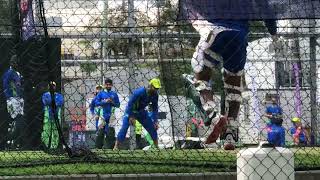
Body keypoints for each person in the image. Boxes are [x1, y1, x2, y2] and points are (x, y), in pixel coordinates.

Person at [183, 18, 277, 149]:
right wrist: (274, 34)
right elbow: (266, 9)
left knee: (201, 77)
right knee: (233, 86)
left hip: (215, 32)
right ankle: (230, 135)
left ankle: (213, 115)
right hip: (239, 36)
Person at [113, 78, 161, 150]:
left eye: (157, 88)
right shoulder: (139, 92)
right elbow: (130, 104)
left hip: (141, 112)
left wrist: (155, 121)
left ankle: (156, 147)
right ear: (150, 86)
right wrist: (131, 116)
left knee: (152, 128)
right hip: (130, 111)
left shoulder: (155, 95)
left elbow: (155, 108)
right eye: (155, 88)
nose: (156, 90)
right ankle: (116, 146)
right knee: (124, 128)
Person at [2, 55, 25, 149]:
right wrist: (9, 96)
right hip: (12, 98)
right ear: (11, 63)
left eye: (16, 62)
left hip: (19, 99)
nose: (16, 64)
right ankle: (9, 141)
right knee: (15, 119)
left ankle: (14, 142)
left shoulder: (18, 73)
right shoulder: (9, 73)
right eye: (14, 62)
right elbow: (5, 85)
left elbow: (20, 84)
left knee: (18, 120)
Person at [94, 78, 120, 149]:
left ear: (111, 85)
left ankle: (109, 147)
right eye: (107, 84)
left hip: (111, 114)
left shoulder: (114, 94)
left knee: (110, 132)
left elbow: (118, 105)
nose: (108, 86)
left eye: (109, 84)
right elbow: (96, 103)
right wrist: (105, 101)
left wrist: (112, 102)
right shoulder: (100, 94)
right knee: (100, 131)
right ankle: (98, 147)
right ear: (104, 85)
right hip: (103, 114)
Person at [41, 81, 64, 149]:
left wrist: (52, 102)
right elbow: (45, 101)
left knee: (56, 131)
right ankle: (46, 145)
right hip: (47, 116)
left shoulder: (59, 95)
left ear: (55, 86)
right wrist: (54, 103)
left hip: (56, 115)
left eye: (53, 85)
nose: (52, 87)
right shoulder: (45, 95)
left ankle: (53, 146)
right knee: (46, 130)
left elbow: (60, 102)